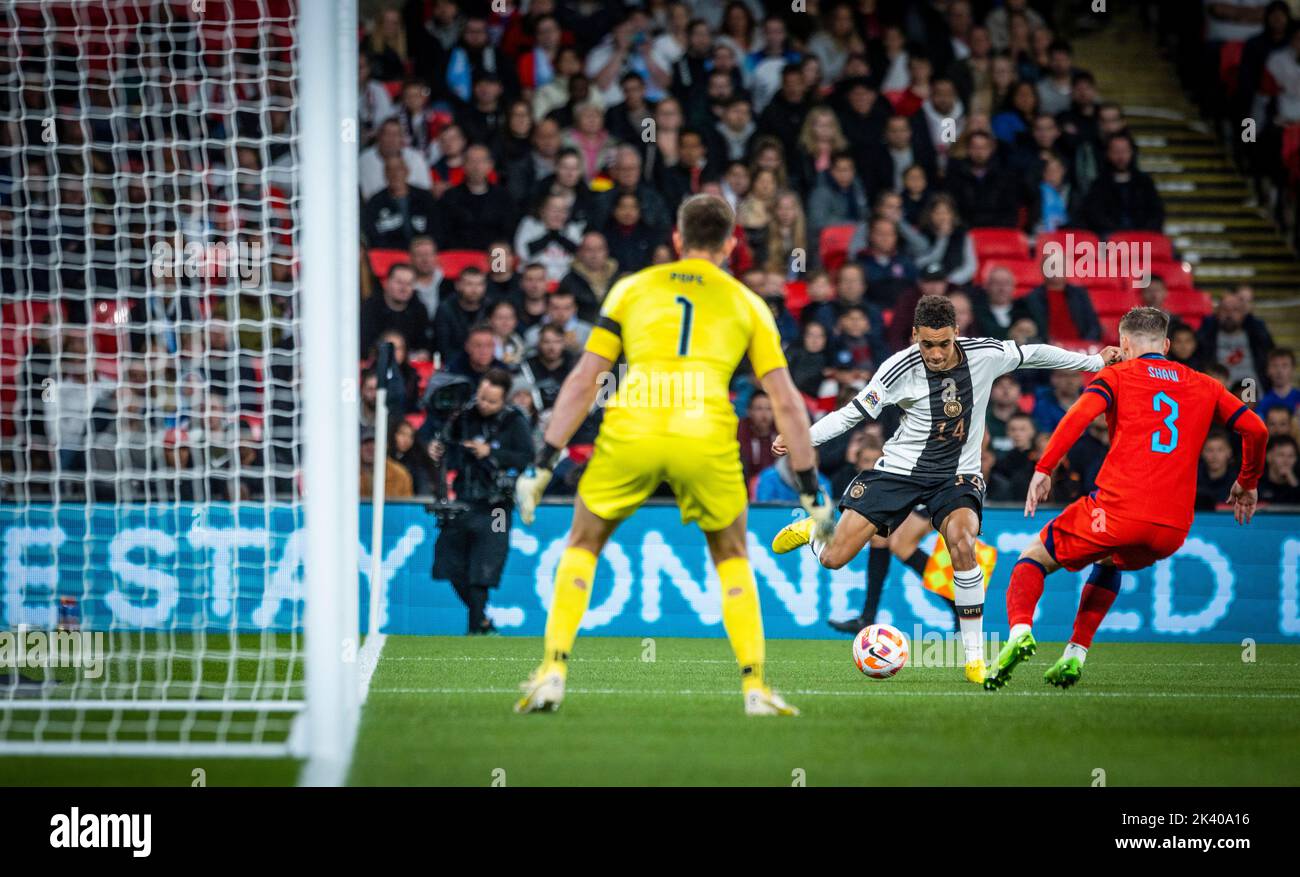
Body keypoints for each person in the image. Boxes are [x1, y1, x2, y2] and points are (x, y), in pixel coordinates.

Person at [512, 194, 833, 716]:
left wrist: (542, 463)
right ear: (731, 245)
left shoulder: (631, 288)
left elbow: (583, 379)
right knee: (731, 554)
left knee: (584, 542)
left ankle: (552, 671)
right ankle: (755, 687)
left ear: (679, 240)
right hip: (703, 431)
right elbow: (788, 404)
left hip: (633, 424)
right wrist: (811, 490)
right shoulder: (747, 303)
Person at [768, 295, 1120, 684]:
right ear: (915, 335)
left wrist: (1094, 362)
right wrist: (804, 436)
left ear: (956, 334)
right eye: (927, 344)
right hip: (899, 472)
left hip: (957, 477)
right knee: (834, 559)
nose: (935, 354)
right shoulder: (896, 369)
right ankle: (817, 532)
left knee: (963, 542)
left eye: (943, 343)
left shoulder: (985, 354)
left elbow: (1035, 353)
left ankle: (974, 658)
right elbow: (851, 413)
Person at [988, 308, 1269, 691]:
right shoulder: (1205, 384)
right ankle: (1075, 654)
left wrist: (1045, 468)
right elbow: (1256, 428)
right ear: (1167, 346)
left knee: (1032, 558)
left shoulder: (1116, 375)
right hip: (1172, 529)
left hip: (1117, 511)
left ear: (1123, 343)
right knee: (1108, 559)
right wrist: (1247, 481)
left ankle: (1020, 632)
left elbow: (1078, 416)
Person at [429, 369, 535, 635]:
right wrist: (437, 448)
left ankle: (476, 628)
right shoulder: (463, 415)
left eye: (491, 401)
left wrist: (493, 453)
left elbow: (526, 457)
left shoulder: (514, 421)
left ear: (504, 400)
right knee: (449, 563)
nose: (484, 404)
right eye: (482, 397)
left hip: (498, 506)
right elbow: (444, 442)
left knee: (484, 568)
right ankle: (483, 622)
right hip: (464, 500)